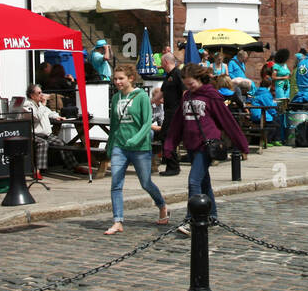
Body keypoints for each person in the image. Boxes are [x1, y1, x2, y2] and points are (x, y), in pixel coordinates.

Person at [165, 63, 249, 233]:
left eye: (191, 84)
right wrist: (169, 145)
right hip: (191, 144)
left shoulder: (212, 96)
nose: (189, 87)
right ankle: (213, 215)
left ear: (200, 79)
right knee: (204, 183)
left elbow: (227, 121)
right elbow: (177, 124)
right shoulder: (187, 97)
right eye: (186, 84)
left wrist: (241, 144)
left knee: (193, 181)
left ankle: (191, 219)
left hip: (207, 145)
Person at [104, 65, 168, 235]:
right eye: (115, 79)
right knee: (116, 183)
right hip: (120, 146)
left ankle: (162, 205)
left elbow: (147, 123)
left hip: (140, 147)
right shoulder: (116, 98)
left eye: (121, 78)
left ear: (130, 78)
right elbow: (114, 124)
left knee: (145, 183)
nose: (117, 82)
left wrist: (136, 139)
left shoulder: (141, 97)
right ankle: (117, 220)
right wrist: (111, 145)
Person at [27, 83, 65, 177]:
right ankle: (38, 171)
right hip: (33, 134)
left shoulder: (40, 105)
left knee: (61, 143)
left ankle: (73, 166)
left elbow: (49, 112)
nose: (41, 95)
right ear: (32, 95)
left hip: (46, 134)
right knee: (43, 143)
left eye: (41, 92)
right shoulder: (28, 105)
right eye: (39, 93)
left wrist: (57, 116)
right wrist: (43, 105)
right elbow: (36, 117)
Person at [158, 53, 184, 176]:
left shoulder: (177, 74)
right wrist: (150, 101)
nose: (161, 65)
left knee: (167, 137)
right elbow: (161, 93)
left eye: (162, 62)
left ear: (166, 62)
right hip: (168, 111)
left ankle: (173, 166)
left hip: (175, 112)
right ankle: (170, 164)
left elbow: (184, 92)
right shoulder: (168, 76)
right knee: (165, 137)